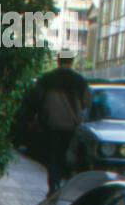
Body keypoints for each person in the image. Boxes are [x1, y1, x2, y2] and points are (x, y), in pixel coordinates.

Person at [24, 48, 92, 194]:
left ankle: (53, 185)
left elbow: (35, 100)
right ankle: (61, 184)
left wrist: (31, 118)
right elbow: (87, 102)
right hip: (71, 125)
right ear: (72, 62)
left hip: (52, 123)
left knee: (53, 154)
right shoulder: (80, 81)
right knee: (65, 155)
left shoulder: (47, 79)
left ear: (58, 60)